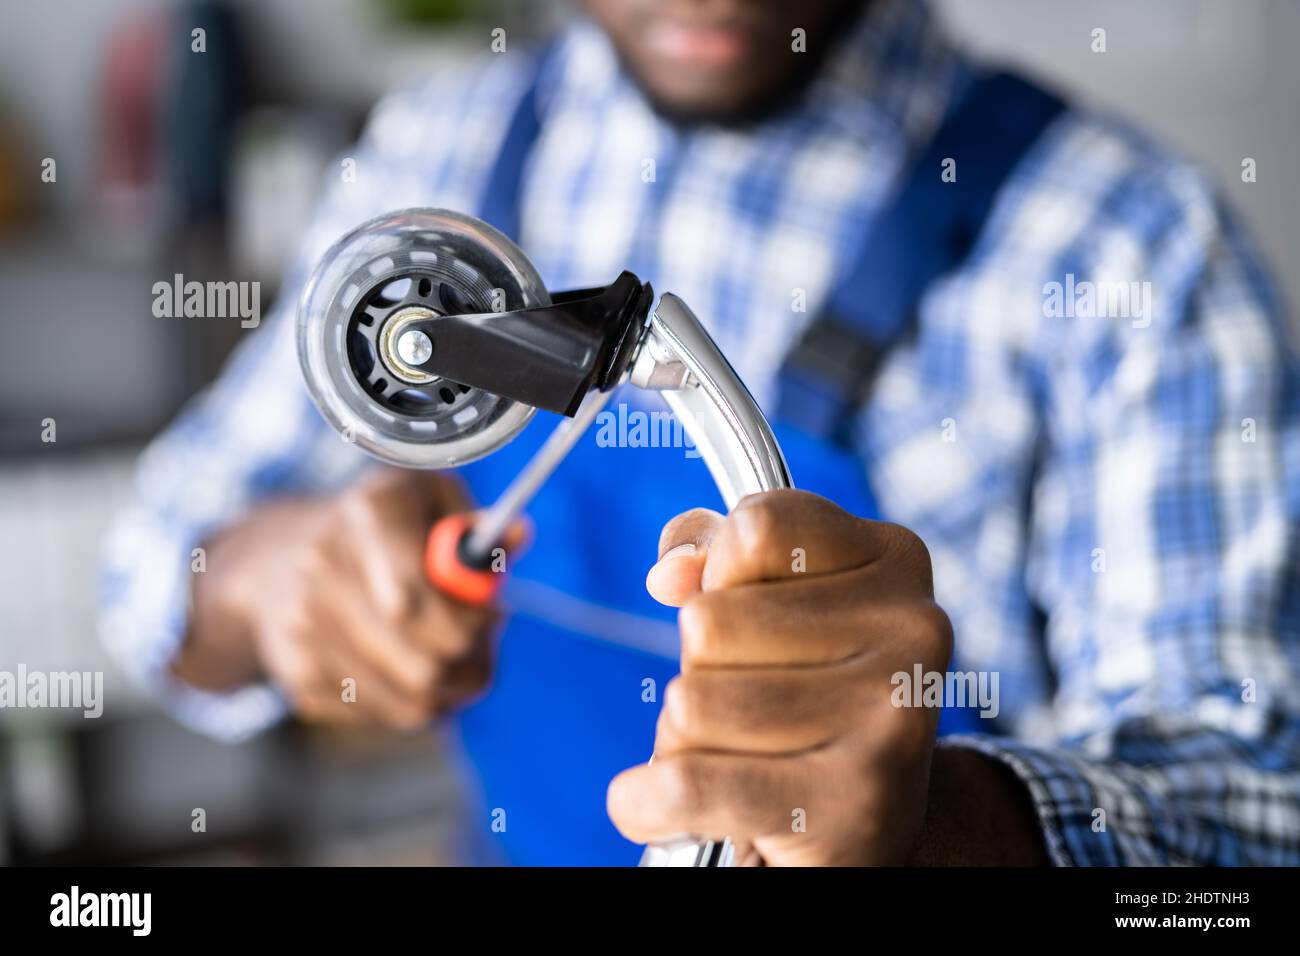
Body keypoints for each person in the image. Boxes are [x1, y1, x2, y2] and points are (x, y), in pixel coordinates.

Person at [102, 0, 1300, 866]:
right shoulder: (440, 149)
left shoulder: (1133, 249)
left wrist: (941, 827)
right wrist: (282, 583)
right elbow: (155, 566)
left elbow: (1252, 817)